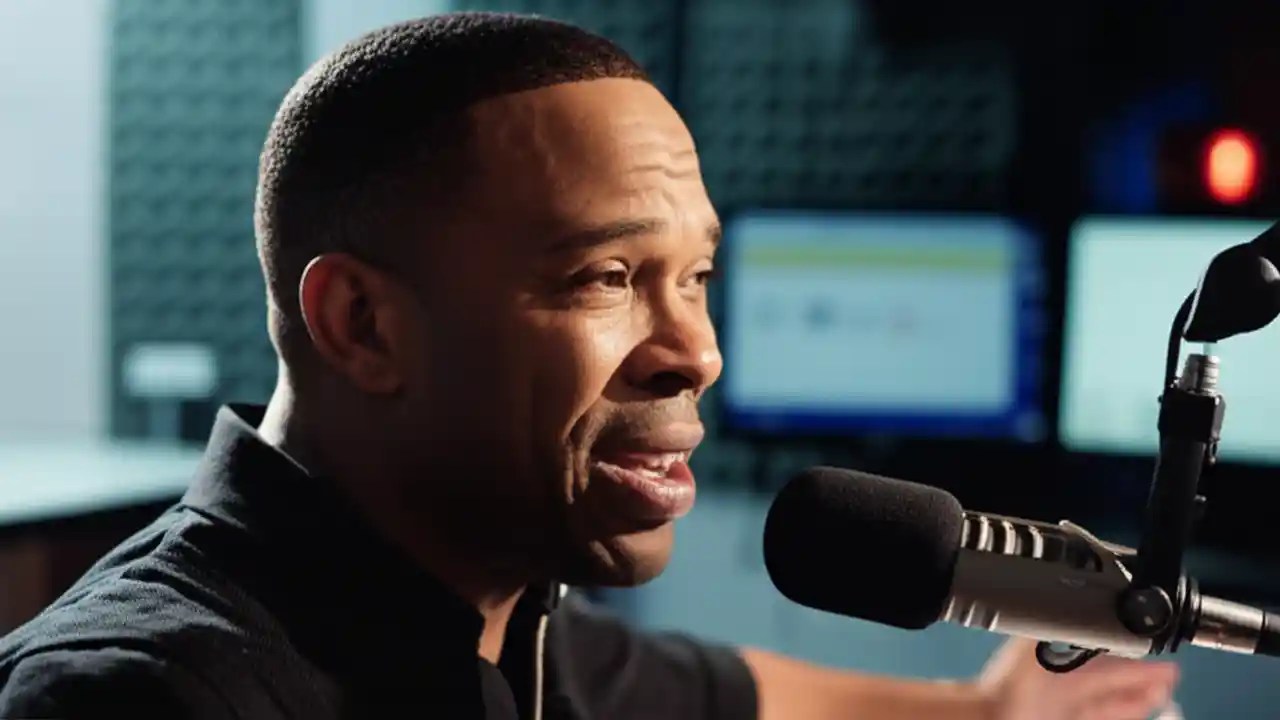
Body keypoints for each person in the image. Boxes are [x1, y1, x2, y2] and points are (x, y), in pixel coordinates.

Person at [0, 12, 1179, 719]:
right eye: (604, 279)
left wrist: (987, 708)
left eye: (697, 279)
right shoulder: (141, 698)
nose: (696, 355)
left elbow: (737, 699)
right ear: (362, 324)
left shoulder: (495, 612)